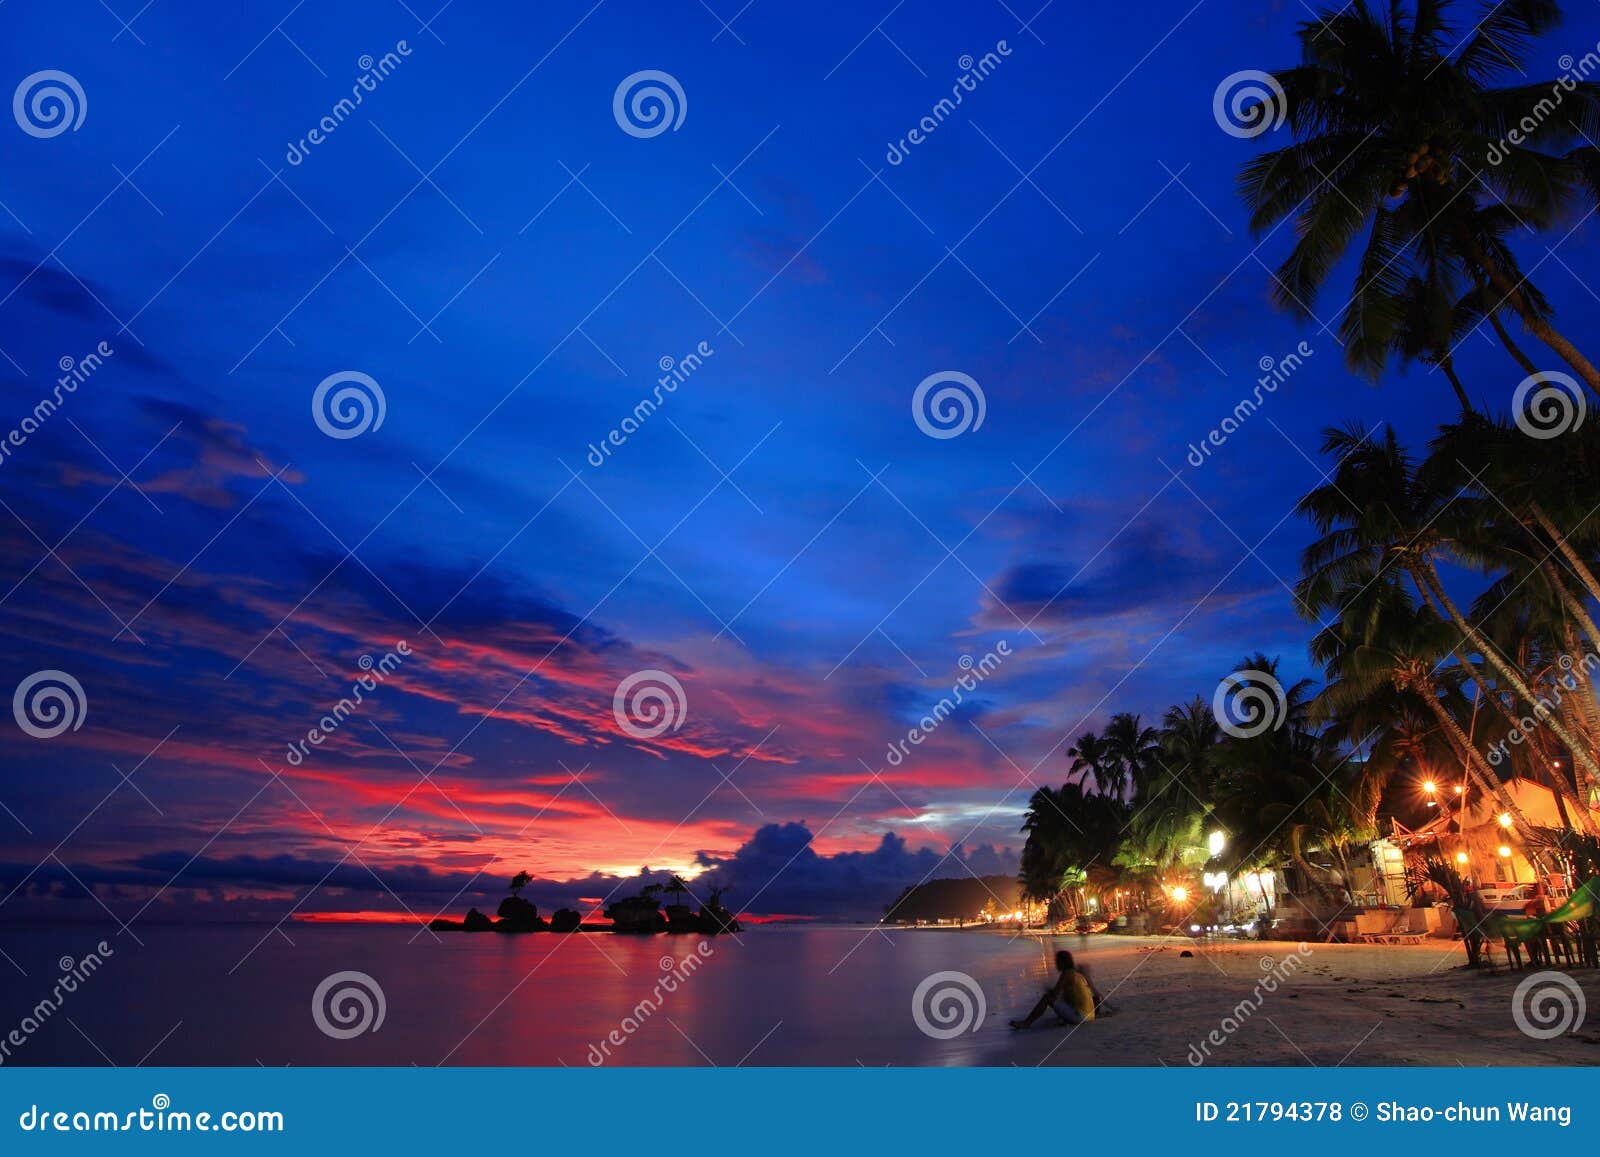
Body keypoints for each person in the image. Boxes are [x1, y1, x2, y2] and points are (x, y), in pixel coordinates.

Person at [1010, 949, 1096, 1029]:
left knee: (1047, 998)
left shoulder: (1066, 974)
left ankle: (1026, 1023)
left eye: (1057, 961)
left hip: (1080, 1018)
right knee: (1061, 999)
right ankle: (1065, 1017)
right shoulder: (1077, 974)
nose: (1056, 964)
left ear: (1062, 962)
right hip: (1090, 1016)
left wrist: (1048, 990)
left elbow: (1055, 994)